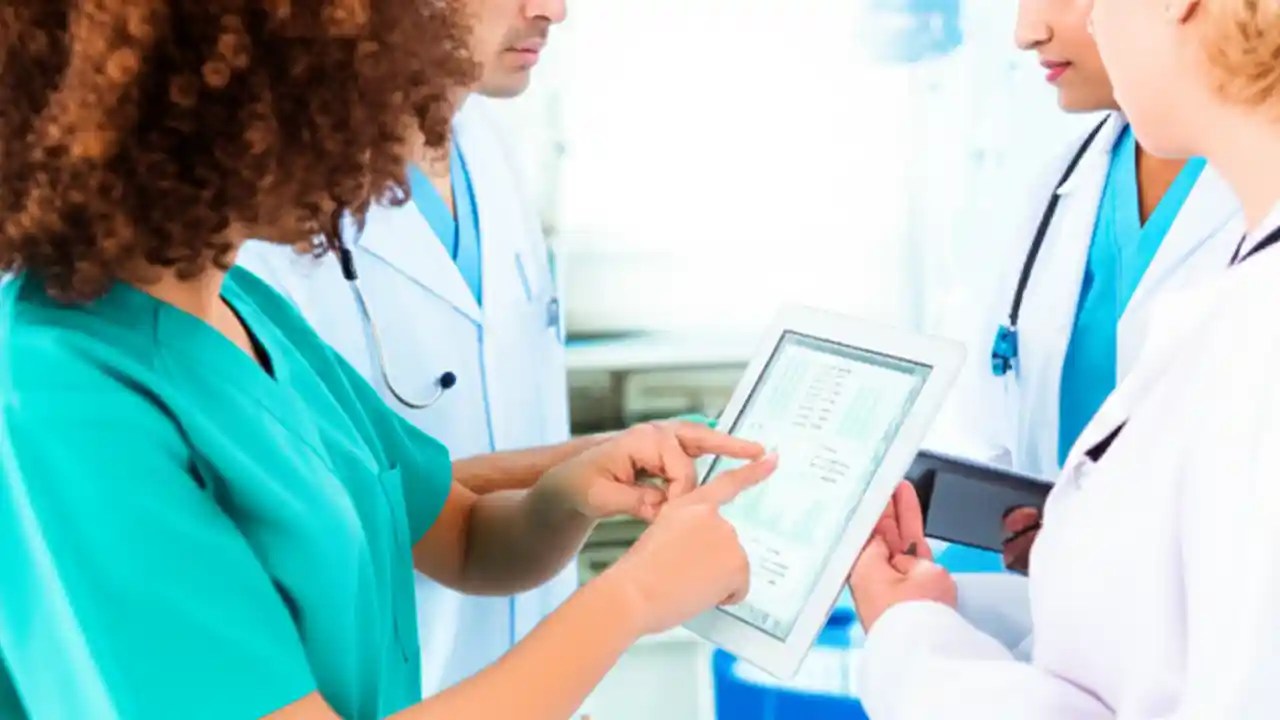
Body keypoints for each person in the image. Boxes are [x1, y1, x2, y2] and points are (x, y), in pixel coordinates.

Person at [0, 4, 778, 719]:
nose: (359, 131)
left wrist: (569, 496)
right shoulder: (61, 393)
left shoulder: (244, 309)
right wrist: (635, 597)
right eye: (319, 91)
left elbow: (464, 535)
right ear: (188, 108)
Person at [852, 0, 1280, 716]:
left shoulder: (1255, 337)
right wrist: (1072, 548)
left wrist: (909, 639)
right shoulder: (1241, 309)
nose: (1026, 31)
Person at [237, 0, 587, 694]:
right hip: (388, 682)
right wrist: (603, 490)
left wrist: (614, 466)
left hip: (541, 668)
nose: (554, 9)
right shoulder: (254, 217)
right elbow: (320, 497)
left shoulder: (491, 148)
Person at [931, 0, 1244, 573]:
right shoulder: (1057, 186)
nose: (1027, 33)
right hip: (1062, 624)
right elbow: (994, 437)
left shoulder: (1252, 192)